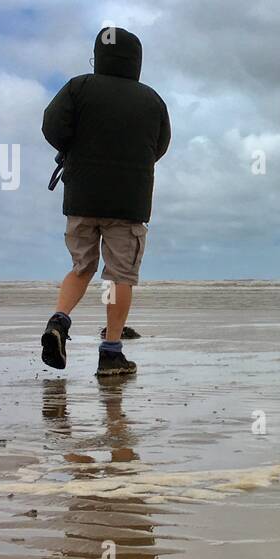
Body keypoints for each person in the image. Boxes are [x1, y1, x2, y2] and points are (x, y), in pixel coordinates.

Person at [39, 27, 170, 376]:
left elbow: (52, 127)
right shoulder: (152, 100)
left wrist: (76, 150)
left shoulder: (77, 88)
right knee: (118, 276)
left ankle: (59, 321)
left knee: (81, 268)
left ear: (99, 57)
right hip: (127, 202)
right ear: (136, 60)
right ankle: (111, 352)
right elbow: (159, 146)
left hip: (81, 196)